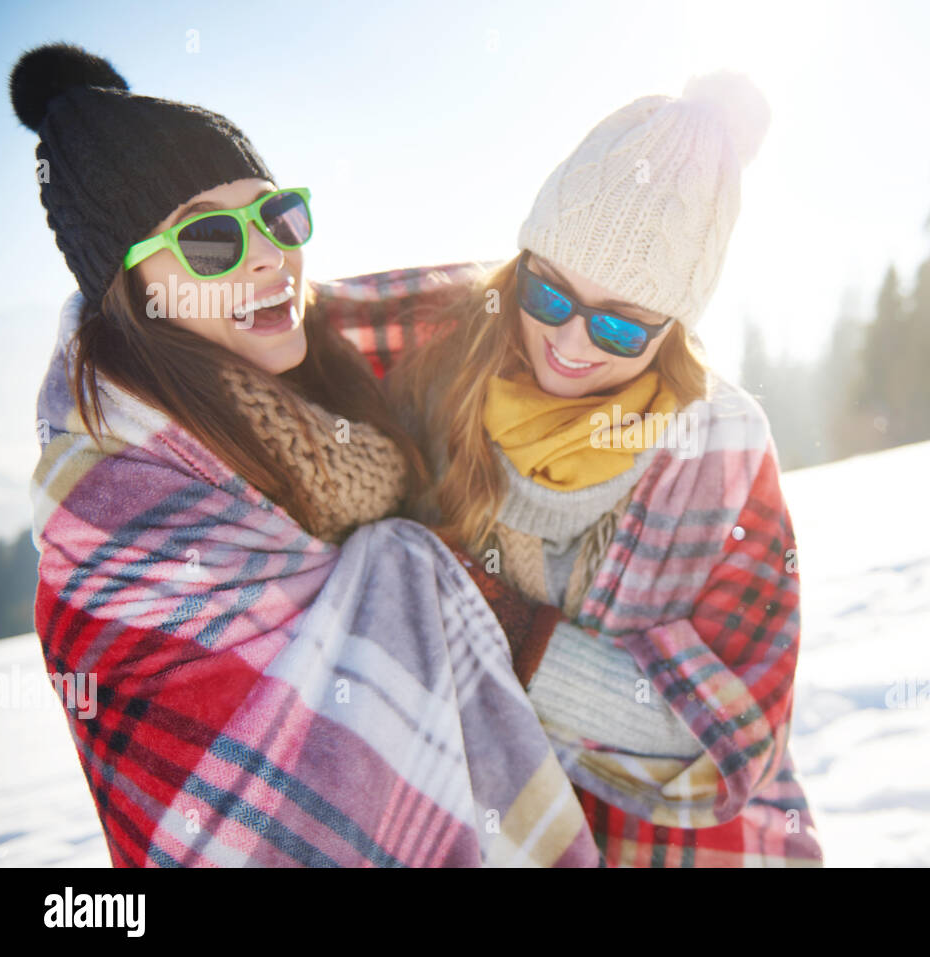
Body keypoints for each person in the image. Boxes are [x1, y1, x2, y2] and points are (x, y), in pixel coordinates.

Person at [13, 43, 598, 867]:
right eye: (209, 240)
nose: (267, 255)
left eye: (276, 215)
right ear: (135, 291)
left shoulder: (339, 379)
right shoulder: (121, 520)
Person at [380, 71, 826, 866]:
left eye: (620, 326)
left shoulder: (721, 452)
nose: (572, 343)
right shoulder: (439, 378)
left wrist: (505, 631)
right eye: (548, 294)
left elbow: (720, 731)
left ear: (674, 329)